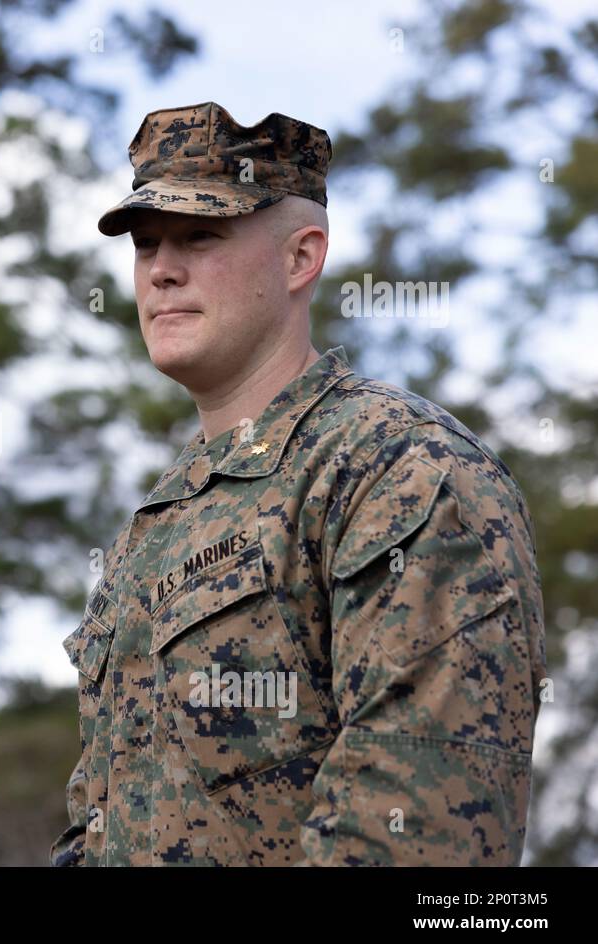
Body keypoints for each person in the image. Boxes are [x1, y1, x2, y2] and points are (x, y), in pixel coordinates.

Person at [51, 101, 548, 866]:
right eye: (146, 243)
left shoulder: (398, 468)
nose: (161, 269)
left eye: (201, 234)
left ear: (300, 258)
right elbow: (97, 825)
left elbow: (420, 831)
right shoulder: (158, 524)